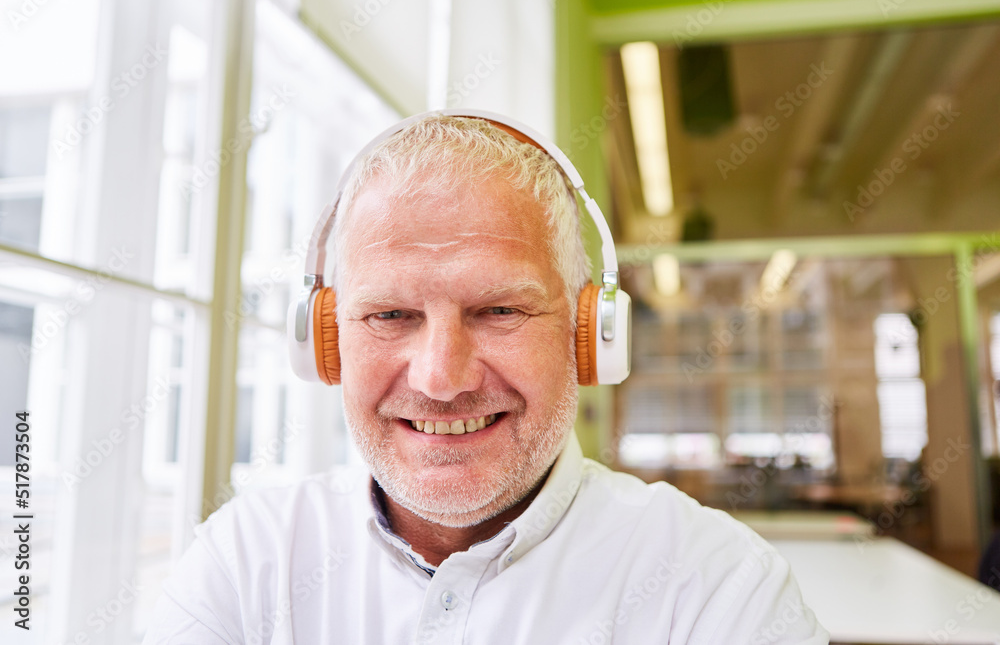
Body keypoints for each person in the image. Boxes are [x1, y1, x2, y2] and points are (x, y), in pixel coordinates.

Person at [144, 112, 829, 644]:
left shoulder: (718, 586)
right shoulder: (245, 560)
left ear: (588, 337)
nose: (442, 378)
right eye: (389, 313)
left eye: (500, 309)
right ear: (326, 344)